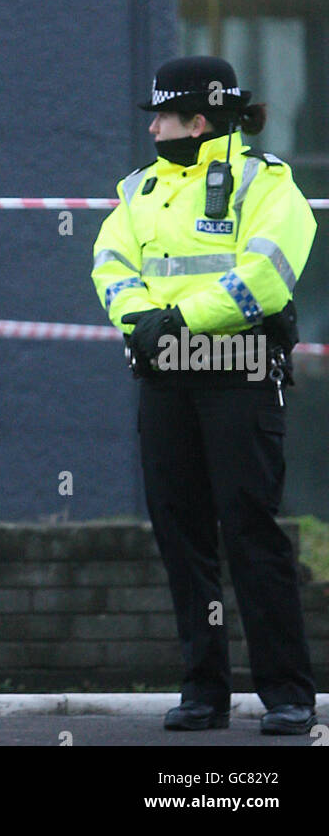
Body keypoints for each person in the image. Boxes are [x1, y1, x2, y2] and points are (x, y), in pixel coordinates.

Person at [92, 55, 317, 735]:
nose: (154, 126)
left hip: (238, 368)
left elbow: (269, 274)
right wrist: (142, 320)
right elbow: (109, 262)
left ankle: (287, 694)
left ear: (198, 120)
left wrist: (180, 319)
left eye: (163, 114)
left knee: (250, 530)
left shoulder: (266, 183)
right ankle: (203, 691)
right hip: (166, 373)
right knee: (179, 531)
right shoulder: (139, 190)